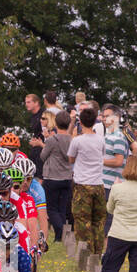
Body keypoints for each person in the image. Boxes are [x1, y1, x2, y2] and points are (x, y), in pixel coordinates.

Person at [67, 106, 108, 255]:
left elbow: (71, 159)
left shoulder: (77, 141)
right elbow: (102, 156)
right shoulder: (101, 140)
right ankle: (98, 252)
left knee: (82, 222)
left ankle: (86, 256)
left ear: (81, 122)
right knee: (98, 221)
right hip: (98, 184)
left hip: (82, 185)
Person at [39, 111, 73, 241]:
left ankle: (61, 232)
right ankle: (59, 237)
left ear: (56, 124)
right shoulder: (71, 140)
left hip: (52, 177)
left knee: (51, 209)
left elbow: (43, 156)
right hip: (67, 178)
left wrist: (47, 139)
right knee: (62, 209)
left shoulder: (53, 140)